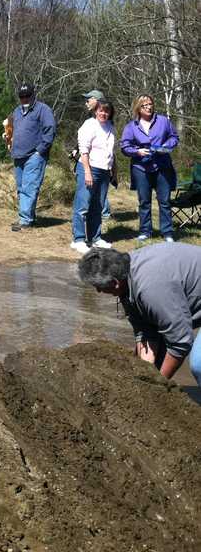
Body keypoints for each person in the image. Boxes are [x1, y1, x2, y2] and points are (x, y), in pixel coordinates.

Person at [78, 245, 201, 387]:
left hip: (169, 287)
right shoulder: (123, 270)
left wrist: (159, 385)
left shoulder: (151, 289)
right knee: (154, 367)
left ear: (115, 283)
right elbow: (145, 331)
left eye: (99, 287)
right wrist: (145, 378)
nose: (98, 291)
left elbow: (181, 342)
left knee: (199, 364)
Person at [120, 94, 179, 242]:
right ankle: (145, 231)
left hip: (162, 166)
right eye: (144, 105)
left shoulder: (163, 121)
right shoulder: (131, 126)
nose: (148, 107)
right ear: (138, 108)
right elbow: (125, 146)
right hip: (141, 167)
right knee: (144, 201)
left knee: (164, 201)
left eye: (150, 104)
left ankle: (167, 232)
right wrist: (137, 151)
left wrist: (165, 146)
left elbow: (174, 137)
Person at [70, 97, 117, 254]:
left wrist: (114, 172)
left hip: (105, 170)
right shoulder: (89, 125)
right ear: (96, 111)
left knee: (98, 206)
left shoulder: (111, 127)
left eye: (106, 111)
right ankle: (78, 240)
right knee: (82, 206)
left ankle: (95, 238)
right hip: (89, 168)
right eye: (101, 110)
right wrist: (87, 172)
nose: (103, 113)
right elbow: (84, 151)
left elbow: (112, 152)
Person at [9, 83, 56, 231]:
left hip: (34, 156)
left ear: (33, 95)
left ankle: (25, 221)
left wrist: (40, 151)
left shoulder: (43, 109)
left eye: (27, 96)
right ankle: (30, 216)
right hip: (18, 155)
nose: (24, 99)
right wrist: (8, 137)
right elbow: (11, 128)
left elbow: (50, 130)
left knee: (29, 187)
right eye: (21, 96)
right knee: (21, 188)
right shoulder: (16, 111)